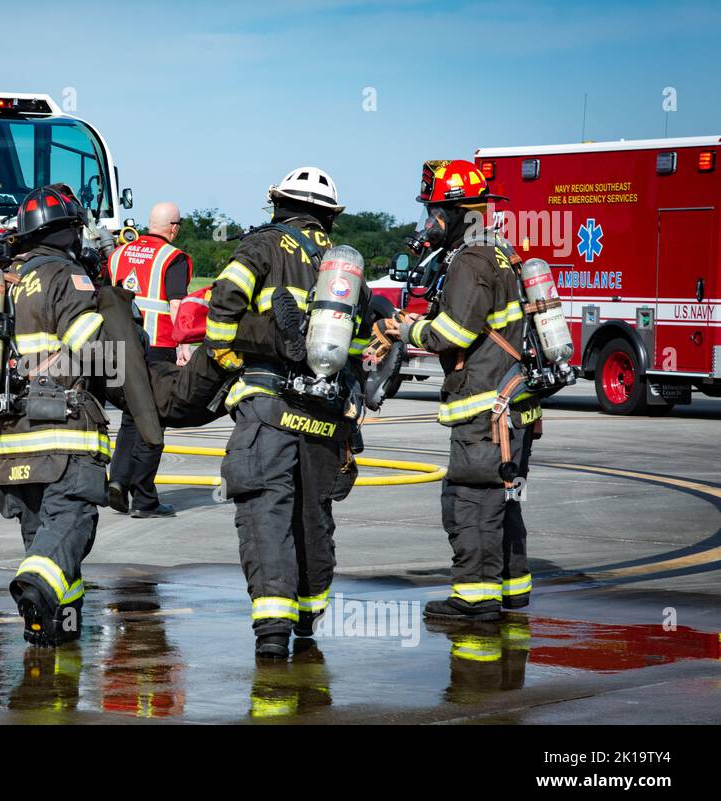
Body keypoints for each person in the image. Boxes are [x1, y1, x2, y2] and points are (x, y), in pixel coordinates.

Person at [205, 166, 375, 660]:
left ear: (277, 204)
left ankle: (273, 628)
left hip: (270, 404)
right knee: (313, 515)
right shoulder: (346, 269)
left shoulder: (261, 246)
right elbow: (360, 345)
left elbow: (222, 308)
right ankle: (308, 616)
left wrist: (232, 362)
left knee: (265, 511)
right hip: (325, 414)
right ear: (329, 217)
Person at [386, 160, 541, 622]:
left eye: (434, 213)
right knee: (503, 496)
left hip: (485, 410)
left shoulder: (470, 260)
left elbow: (453, 332)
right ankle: (512, 591)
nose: (428, 224)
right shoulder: (497, 250)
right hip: (513, 404)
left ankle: (473, 602)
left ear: (455, 212)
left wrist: (408, 332)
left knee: (471, 499)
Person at [0, 185, 109, 648]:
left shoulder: (7, 282)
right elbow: (91, 348)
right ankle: (36, 588)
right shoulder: (68, 275)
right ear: (67, 232)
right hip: (63, 428)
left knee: (42, 531)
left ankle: (52, 626)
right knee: (72, 522)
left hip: (13, 436)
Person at [105, 202, 192, 519]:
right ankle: (144, 499)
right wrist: (184, 344)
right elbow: (177, 305)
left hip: (120, 347)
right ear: (174, 226)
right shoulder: (174, 258)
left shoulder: (119, 253)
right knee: (153, 420)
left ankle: (117, 481)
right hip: (157, 348)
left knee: (132, 415)